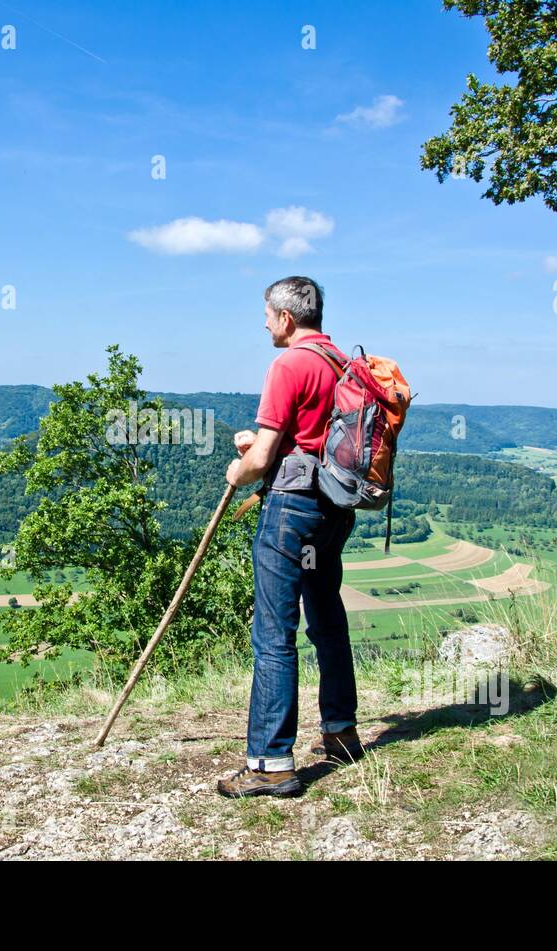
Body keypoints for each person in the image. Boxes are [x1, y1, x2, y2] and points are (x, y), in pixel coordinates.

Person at [217, 276, 365, 799]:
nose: (263, 324)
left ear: (285, 318)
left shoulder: (288, 364)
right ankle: (341, 732)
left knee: (273, 634)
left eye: (266, 315)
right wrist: (260, 443)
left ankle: (271, 763)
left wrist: (241, 468)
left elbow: (260, 462)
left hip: (291, 511)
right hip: (334, 509)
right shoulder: (342, 362)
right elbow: (314, 437)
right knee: (326, 617)